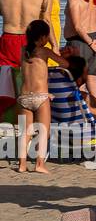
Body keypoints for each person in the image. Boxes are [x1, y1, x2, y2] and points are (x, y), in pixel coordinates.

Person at [16, 20, 65, 173]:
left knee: (26, 132)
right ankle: (39, 164)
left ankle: (22, 165)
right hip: (41, 97)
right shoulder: (44, 51)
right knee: (44, 131)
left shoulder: (23, 50)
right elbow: (64, 64)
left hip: (24, 97)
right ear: (43, 37)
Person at [64, 0, 96, 100]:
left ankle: (82, 115)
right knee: (92, 82)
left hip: (80, 42)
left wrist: (89, 42)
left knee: (79, 83)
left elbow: (77, 26)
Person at [38, 0, 61, 68]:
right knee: (48, 68)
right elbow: (46, 18)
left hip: (54, 32)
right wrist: (54, 45)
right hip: (48, 34)